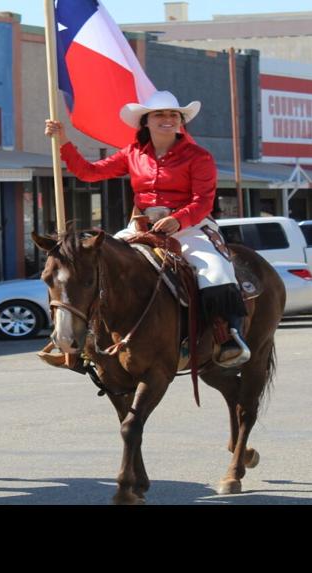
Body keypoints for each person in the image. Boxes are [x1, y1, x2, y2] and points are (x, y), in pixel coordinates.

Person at [45, 90, 252, 367]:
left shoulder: (199, 156)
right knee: (94, 264)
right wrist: (64, 140)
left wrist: (179, 219)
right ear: (146, 121)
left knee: (215, 271)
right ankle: (81, 341)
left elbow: (203, 201)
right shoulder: (132, 153)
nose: (167, 119)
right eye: (159, 115)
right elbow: (89, 172)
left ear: (180, 121)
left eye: (173, 115)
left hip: (189, 227)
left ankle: (227, 338)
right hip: (141, 226)